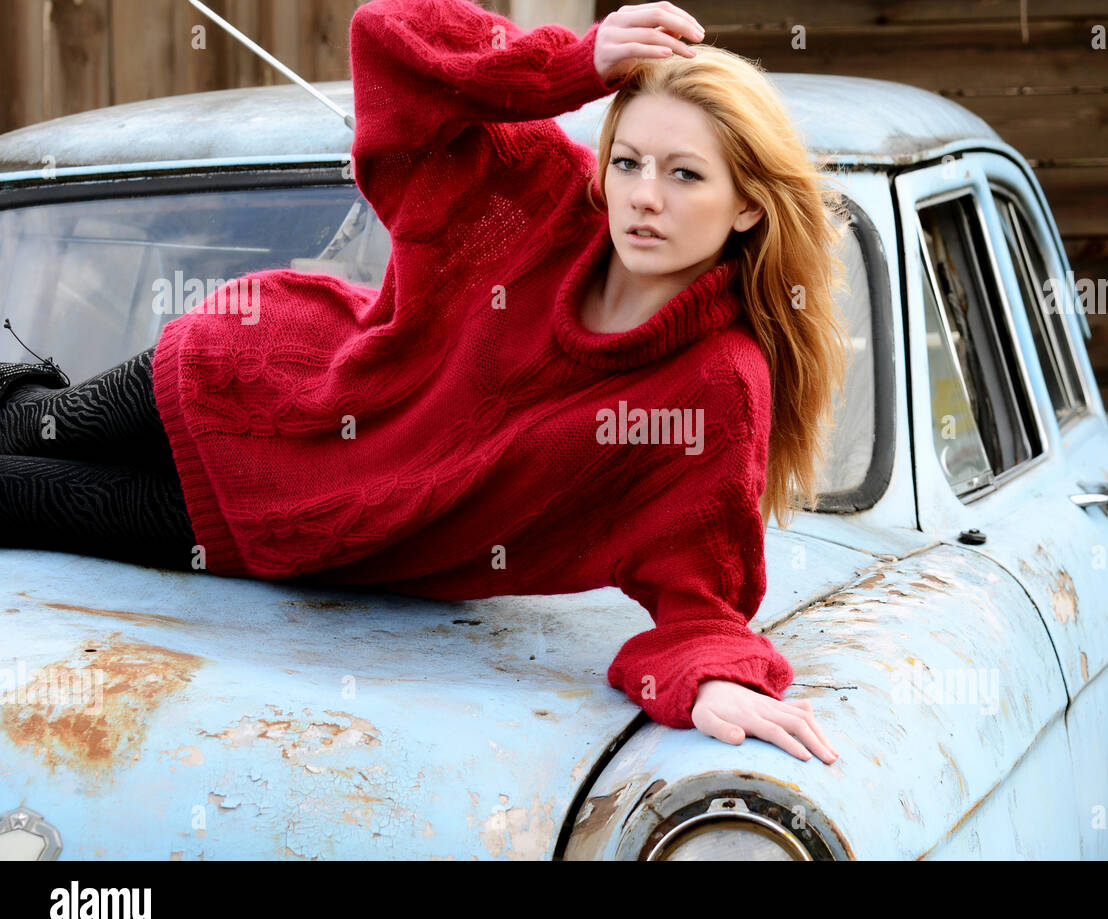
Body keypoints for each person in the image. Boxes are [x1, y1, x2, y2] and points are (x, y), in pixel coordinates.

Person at [0, 0, 850, 764]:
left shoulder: (715, 384)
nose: (644, 198)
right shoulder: (546, 200)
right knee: (25, 420)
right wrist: (571, 65)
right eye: (627, 161)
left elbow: (701, 597)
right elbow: (387, 38)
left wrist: (712, 681)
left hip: (279, 525)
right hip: (241, 372)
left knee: (16, 495)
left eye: (685, 174)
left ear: (748, 205)